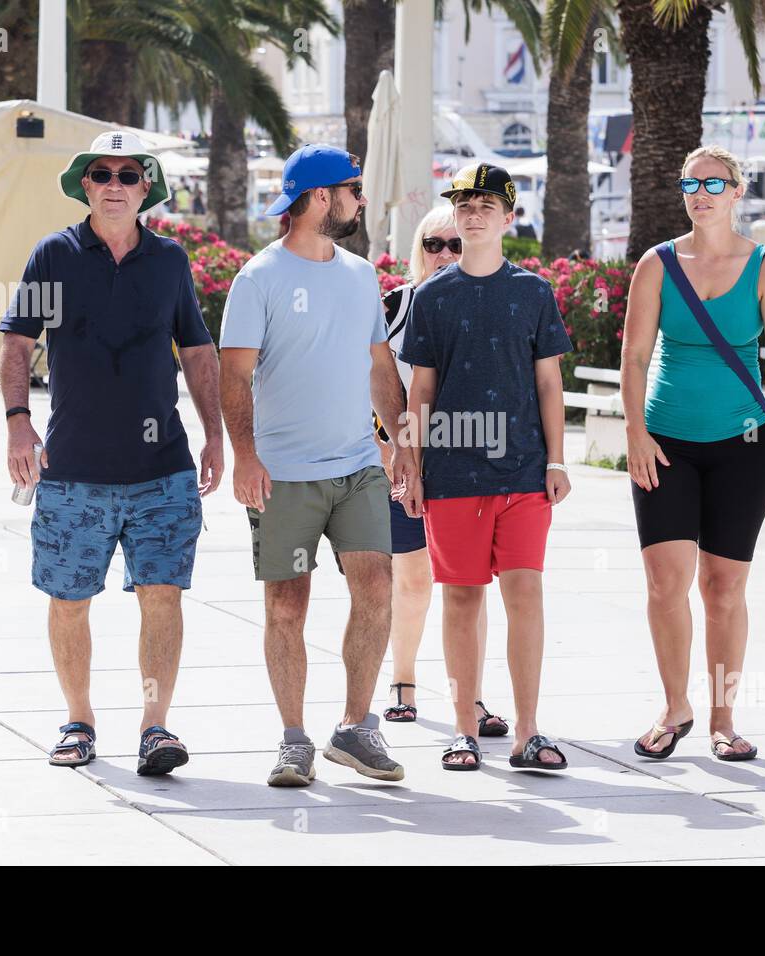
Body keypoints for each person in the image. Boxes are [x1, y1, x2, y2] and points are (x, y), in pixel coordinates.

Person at [0, 130, 223, 775]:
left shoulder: (169, 260)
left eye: (129, 174)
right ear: (86, 185)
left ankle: (155, 727)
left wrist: (215, 433)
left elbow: (197, 350)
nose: (115, 184)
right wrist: (18, 424)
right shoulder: (54, 255)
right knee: (70, 600)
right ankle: (79, 720)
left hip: (162, 470)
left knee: (162, 595)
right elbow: (17, 343)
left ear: (147, 187)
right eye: (103, 173)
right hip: (73, 470)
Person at [219, 144, 416, 787]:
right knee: (287, 606)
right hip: (283, 474)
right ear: (321, 197)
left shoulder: (360, 276)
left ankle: (355, 728)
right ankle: (294, 739)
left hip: (357, 466)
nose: (361, 199)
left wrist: (401, 441)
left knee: (377, 588)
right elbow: (234, 375)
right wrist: (245, 457)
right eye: (354, 189)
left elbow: (379, 365)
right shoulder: (259, 278)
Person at [620, 144, 765, 763]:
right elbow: (634, 358)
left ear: (736, 192)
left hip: (744, 446)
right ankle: (674, 706)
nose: (699, 194)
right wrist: (635, 433)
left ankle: (723, 719)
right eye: (690, 184)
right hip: (664, 443)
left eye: (712, 184)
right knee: (664, 583)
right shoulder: (656, 264)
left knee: (723, 587)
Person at [400, 163, 572, 772]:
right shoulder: (431, 296)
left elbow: (549, 384)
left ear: (508, 217)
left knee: (525, 592)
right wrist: (411, 463)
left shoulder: (533, 292)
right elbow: (421, 390)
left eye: (485, 205)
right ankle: (464, 731)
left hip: (524, 470)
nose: (473, 214)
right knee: (462, 599)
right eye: (464, 204)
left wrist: (556, 460)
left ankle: (527, 732)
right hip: (451, 474)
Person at [375, 206, 508, 738]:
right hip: (402, 465)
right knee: (411, 581)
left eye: (456, 244)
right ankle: (402, 681)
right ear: (419, 250)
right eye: (434, 245)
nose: (446, 255)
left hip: (470, 470)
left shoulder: (494, 302)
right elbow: (372, 381)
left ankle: (470, 698)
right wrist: (389, 451)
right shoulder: (395, 306)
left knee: (470, 586)